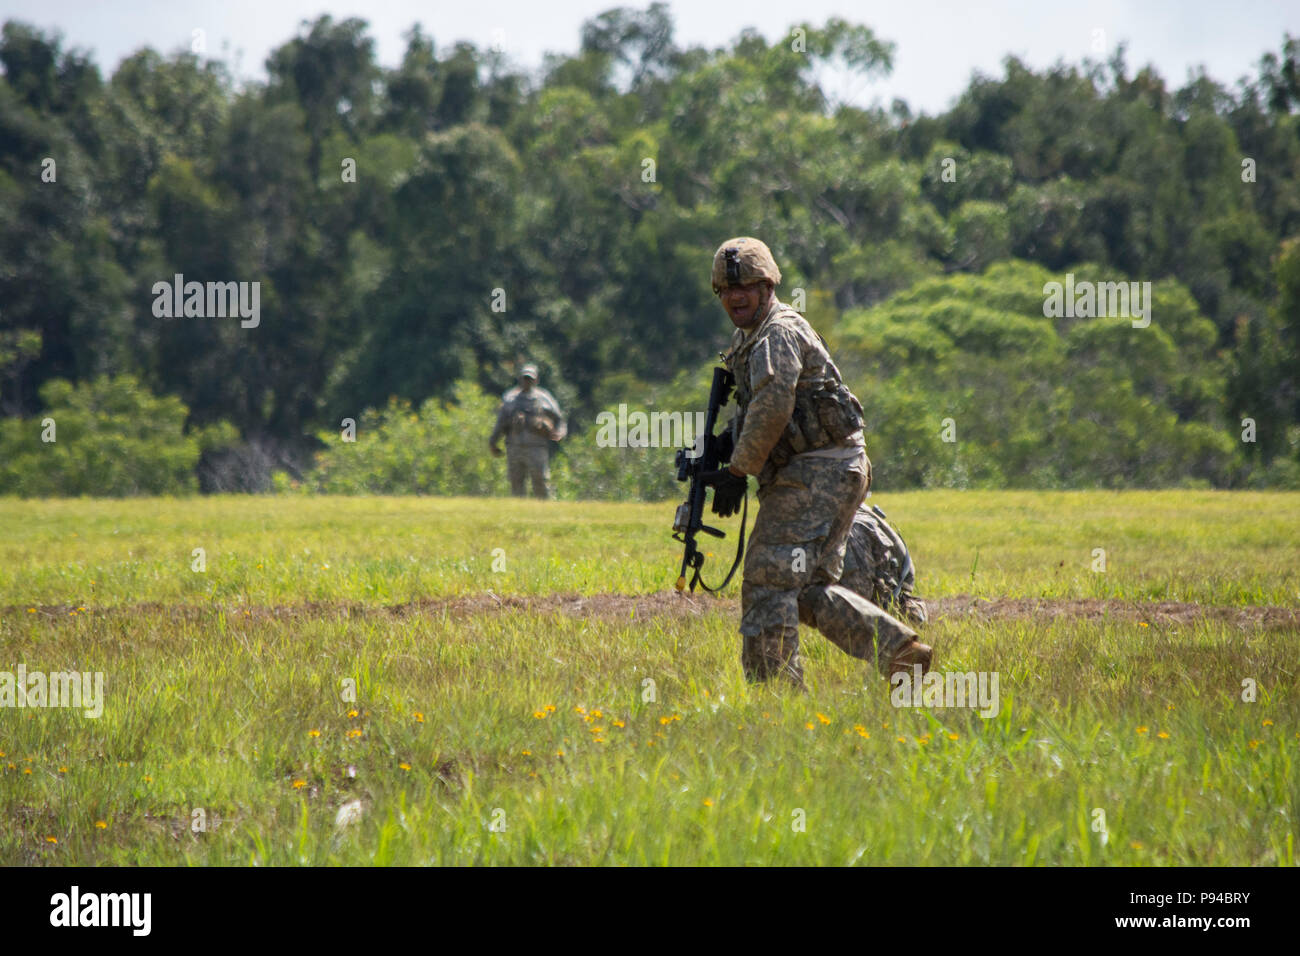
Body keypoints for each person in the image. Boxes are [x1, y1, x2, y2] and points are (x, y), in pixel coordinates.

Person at [698, 237, 932, 689]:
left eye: (747, 285)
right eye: (725, 290)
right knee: (803, 589)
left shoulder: (777, 332)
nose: (735, 297)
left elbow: (773, 405)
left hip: (816, 471)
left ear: (768, 286)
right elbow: (761, 407)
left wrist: (737, 471)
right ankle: (900, 654)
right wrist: (728, 443)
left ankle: (777, 699)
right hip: (833, 467)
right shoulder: (751, 337)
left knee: (768, 578)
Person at [489, 364, 566, 499]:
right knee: (516, 482)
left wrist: (560, 433)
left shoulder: (544, 398)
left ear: (536, 380)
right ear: (520, 379)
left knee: (540, 481)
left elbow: (559, 418)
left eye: (530, 379)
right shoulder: (510, 398)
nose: (527, 382)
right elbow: (501, 422)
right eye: (525, 378)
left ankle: (544, 510)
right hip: (514, 446)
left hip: (537, 447)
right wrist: (493, 442)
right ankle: (520, 511)